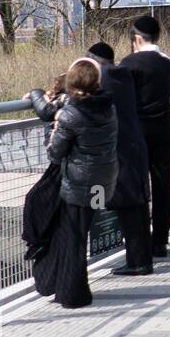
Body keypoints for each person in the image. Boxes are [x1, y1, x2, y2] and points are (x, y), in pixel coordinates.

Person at [40, 58, 118, 309]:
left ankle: (75, 294)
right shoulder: (108, 106)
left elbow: (54, 152)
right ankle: (68, 288)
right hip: (102, 181)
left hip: (80, 184)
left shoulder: (72, 113)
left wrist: (50, 127)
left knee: (74, 237)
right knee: (80, 232)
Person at [88, 41, 153, 277]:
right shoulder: (121, 74)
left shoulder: (102, 76)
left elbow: (87, 99)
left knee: (129, 208)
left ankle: (138, 263)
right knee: (136, 206)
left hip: (120, 151)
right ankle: (141, 259)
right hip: (134, 146)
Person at [118, 15, 170, 258]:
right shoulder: (166, 61)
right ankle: (160, 241)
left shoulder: (128, 63)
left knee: (137, 185)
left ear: (137, 38)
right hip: (163, 128)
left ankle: (140, 242)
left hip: (137, 130)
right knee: (162, 183)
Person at [25, 74, 68, 143]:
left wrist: (34, 93)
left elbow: (46, 111)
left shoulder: (63, 100)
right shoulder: (83, 99)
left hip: (59, 142)